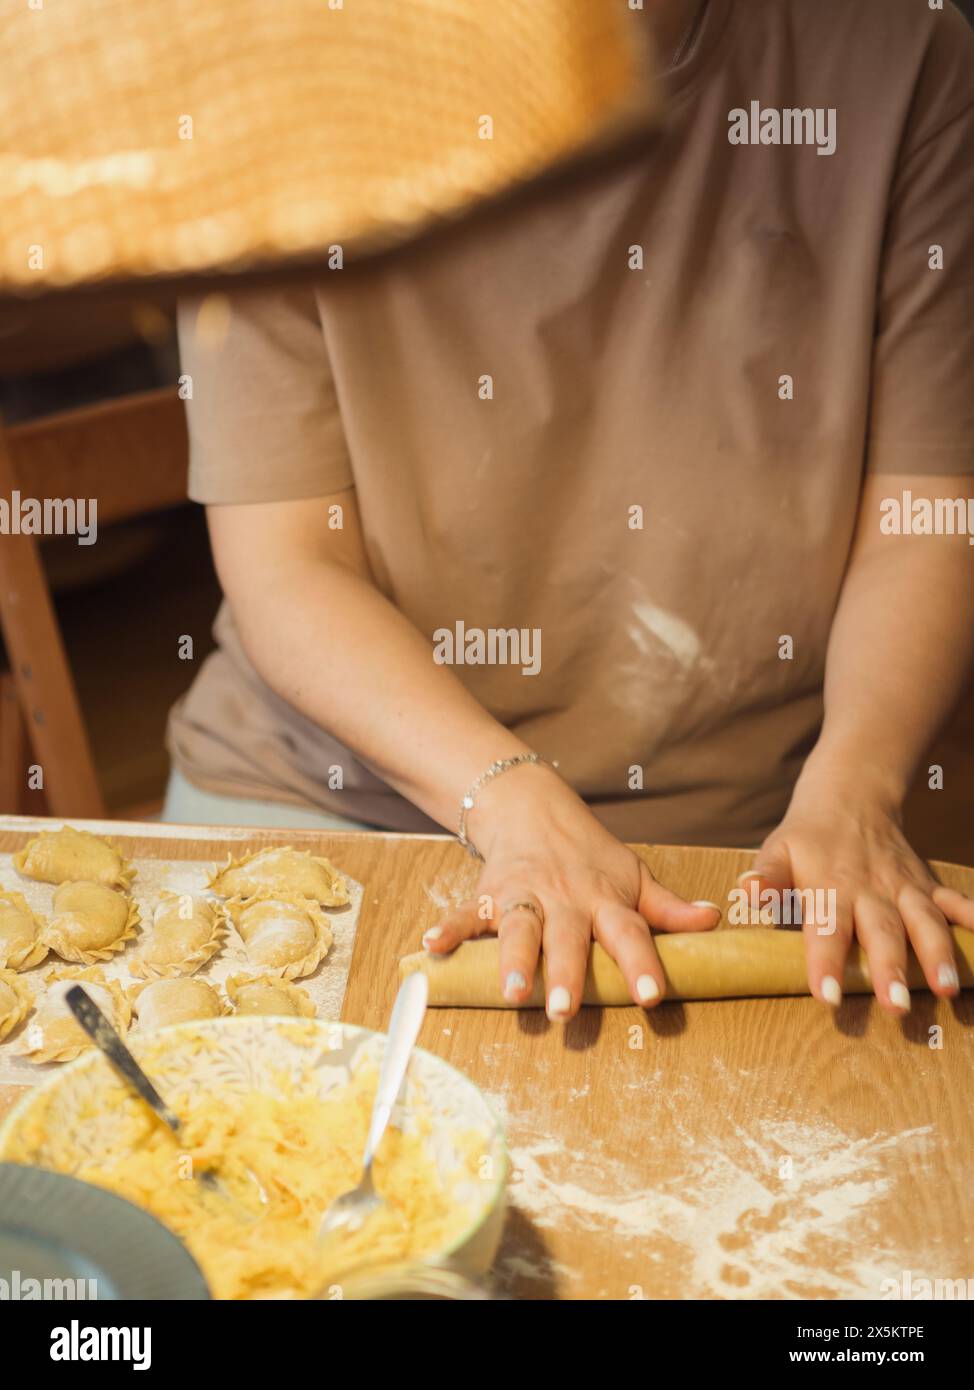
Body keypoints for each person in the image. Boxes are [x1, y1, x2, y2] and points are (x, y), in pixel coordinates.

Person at [165, 0, 974, 1020]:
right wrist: (509, 802)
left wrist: (853, 787)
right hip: (337, 800)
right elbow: (287, 567)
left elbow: (922, 516)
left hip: (759, 831)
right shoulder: (263, 87)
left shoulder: (906, 57)